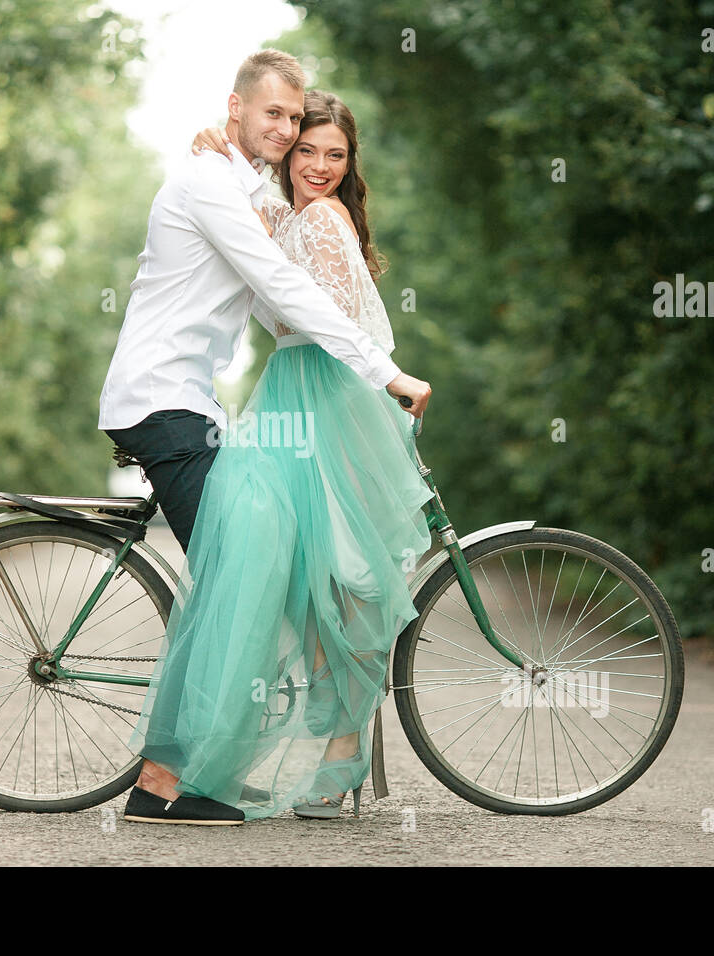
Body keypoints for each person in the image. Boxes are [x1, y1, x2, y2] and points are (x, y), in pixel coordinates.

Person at [99, 49, 431, 825]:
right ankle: (165, 782)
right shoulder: (216, 183)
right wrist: (388, 374)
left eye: (302, 124)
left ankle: (218, 764)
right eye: (276, 118)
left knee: (265, 566)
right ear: (238, 108)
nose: (290, 137)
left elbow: (280, 236)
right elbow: (283, 287)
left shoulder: (249, 187)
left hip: (197, 405)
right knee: (241, 570)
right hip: (164, 405)